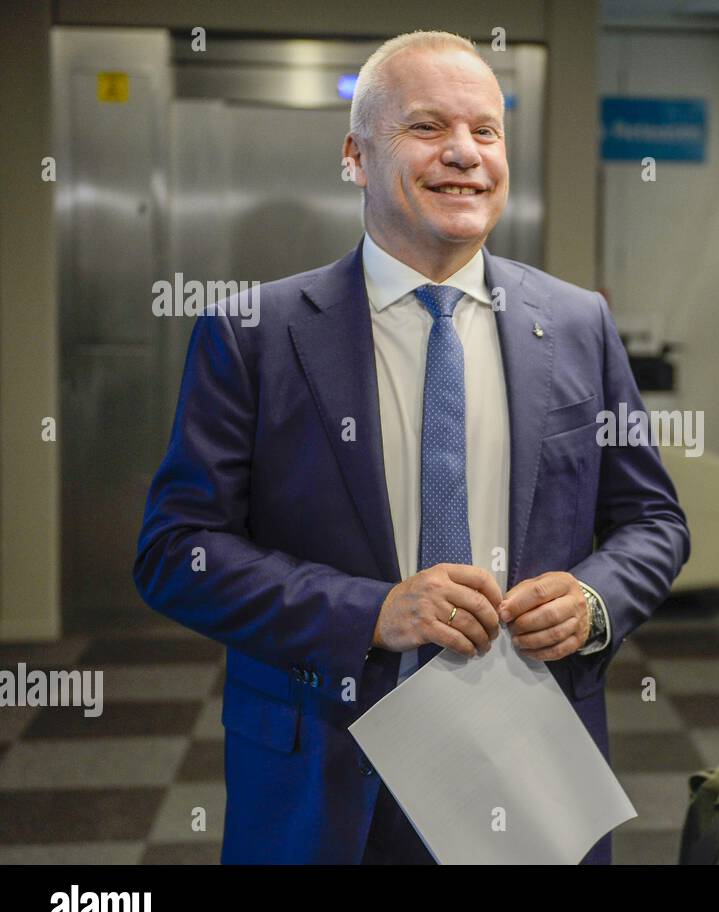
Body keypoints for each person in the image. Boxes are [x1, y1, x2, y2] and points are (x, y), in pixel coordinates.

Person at [133, 30, 689, 865]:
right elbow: (176, 551)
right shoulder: (253, 332)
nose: (465, 153)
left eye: (487, 130)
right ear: (356, 156)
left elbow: (653, 520)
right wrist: (373, 611)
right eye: (427, 127)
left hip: (531, 762)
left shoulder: (578, 324)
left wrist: (593, 599)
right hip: (330, 768)